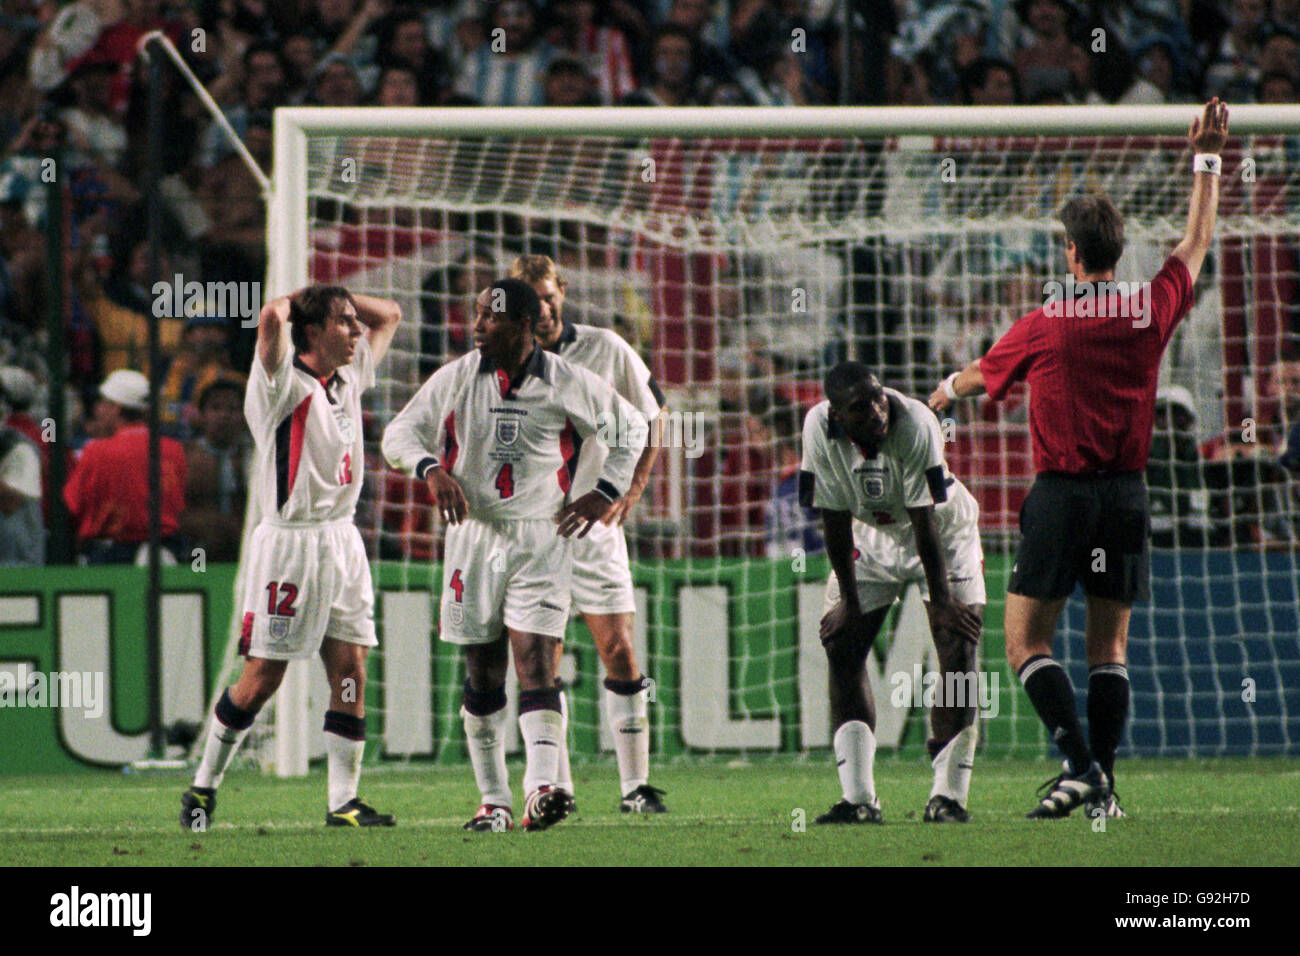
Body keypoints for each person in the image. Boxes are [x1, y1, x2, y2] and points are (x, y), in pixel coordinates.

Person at [929, 99, 1230, 819]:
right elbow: (1194, 245)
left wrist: (939, 394)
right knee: (1111, 649)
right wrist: (1208, 159)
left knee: (1024, 641)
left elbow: (975, 376)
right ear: (1119, 252)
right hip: (1126, 495)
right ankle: (1105, 794)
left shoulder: (1046, 322)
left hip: (1063, 496)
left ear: (1070, 253)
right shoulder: (1150, 309)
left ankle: (1082, 766)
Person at [381, 278, 647, 832]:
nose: (477, 326)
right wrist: (431, 470)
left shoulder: (568, 381)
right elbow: (399, 433)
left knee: (534, 664)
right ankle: (493, 802)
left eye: (491, 318)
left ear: (525, 325)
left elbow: (633, 426)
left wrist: (606, 490)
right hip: (473, 536)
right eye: (476, 315)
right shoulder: (457, 376)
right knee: (482, 673)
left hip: (539, 539)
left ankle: (542, 788)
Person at [180, 285, 401, 830]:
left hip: (342, 542)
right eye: (343, 322)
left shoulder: (349, 374)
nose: (355, 330)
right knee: (263, 676)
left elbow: (390, 313)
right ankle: (202, 789)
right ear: (312, 333)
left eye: (354, 322)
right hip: (290, 545)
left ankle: (343, 801)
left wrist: (336, 295)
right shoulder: (278, 384)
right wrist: (298, 298)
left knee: (351, 671)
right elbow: (270, 318)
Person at [510, 254, 667, 814]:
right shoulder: (502, 361)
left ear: (563, 293)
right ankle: (555, 787)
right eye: (534, 302)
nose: (546, 309)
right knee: (541, 659)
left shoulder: (605, 347)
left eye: (552, 297)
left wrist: (634, 487)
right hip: (533, 534)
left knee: (619, 649)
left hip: (595, 527)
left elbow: (654, 414)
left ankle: (635, 788)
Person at [802, 364, 985, 824]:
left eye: (879, 397)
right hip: (874, 538)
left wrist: (942, 603)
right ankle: (859, 799)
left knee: (958, 650)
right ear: (837, 417)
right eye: (861, 407)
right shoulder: (816, 432)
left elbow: (925, 525)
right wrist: (848, 598)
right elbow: (833, 521)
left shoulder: (918, 421)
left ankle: (948, 797)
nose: (877, 411)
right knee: (842, 645)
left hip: (944, 535)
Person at [63, 369, 187, 565]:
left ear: (116, 408)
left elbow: (72, 505)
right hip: (166, 552)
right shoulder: (175, 449)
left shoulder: (96, 451)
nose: (97, 409)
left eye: (103, 403)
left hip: (111, 555)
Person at [179, 374, 250, 563]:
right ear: (202, 415)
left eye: (232, 409)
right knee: (196, 575)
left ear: (244, 416)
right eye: (215, 408)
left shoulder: (254, 457)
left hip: (243, 547)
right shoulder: (185, 456)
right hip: (199, 546)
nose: (224, 416)